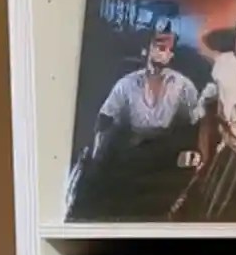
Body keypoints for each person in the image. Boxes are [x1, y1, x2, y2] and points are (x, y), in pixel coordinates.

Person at [65, 21, 202, 220]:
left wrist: (195, 154)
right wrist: (98, 151)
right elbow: (105, 119)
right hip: (132, 154)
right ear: (146, 49)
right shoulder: (127, 84)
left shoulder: (183, 86)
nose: (166, 53)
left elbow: (196, 122)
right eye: (160, 47)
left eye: (170, 50)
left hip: (166, 157)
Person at [172, 7, 236, 220]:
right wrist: (213, 117)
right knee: (210, 170)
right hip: (221, 127)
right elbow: (213, 92)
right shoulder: (224, 61)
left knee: (235, 180)